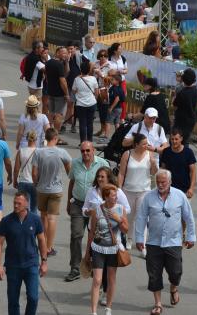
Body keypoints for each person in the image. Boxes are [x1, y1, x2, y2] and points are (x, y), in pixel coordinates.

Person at [135, 169, 197, 314]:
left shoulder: (180, 196)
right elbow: (141, 218)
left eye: (163, 182)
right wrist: (139, 238)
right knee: (154, 274)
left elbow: (189, 217)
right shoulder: (149, 197)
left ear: (169, 182)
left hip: (174, 242)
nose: (160, 185)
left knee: (176, 272)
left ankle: (173, 288)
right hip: (153, 243)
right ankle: (158, 304)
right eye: (158, 182)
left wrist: (191, 236)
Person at [0, 191, 48, 315]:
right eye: (14, 203)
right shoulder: (6, 221)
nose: (16, 205)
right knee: (13, 301)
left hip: (31, 265)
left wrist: (44, 262)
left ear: (26, 204)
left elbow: (41, 240)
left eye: (19, 203)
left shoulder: (35, 219)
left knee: (33, 297)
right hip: (13, 266)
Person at [65, 141, 107, 282]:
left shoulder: (102, 164)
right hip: (77, 203)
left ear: (93, 150)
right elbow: (72, 182)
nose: (85, 153)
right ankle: (75, 267)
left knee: (96, 237)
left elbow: (109, 184)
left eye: (88, 150)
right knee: (76, 235)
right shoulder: (75, 163)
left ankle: (95, 267)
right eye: (83, 151)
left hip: (96, 206)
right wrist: (68, 201)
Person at [86, 184, 130, 315]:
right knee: (97, 280)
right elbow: (92, 232)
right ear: (105, 197)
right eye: (113, 196)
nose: (116, 197)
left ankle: (108, 308)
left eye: (116, 195)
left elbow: (126, 230)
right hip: (98, 248)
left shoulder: (121, 209)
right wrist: (87, 252)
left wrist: (119, 219)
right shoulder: (97, 210)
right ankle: (93, 312)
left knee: (111, 279)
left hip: (113, 249)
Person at [31, 127, 72, 259]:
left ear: (46, 138)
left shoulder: (38, 152)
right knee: (52, 218)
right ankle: (49, 247)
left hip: (42, 189)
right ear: (55, 138)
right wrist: (67, 172)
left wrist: (36, 183)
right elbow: (69, 168)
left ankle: (42, 244)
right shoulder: (61, 152)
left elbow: (34, 172)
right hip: (56, 189)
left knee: (43, 216)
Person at [120, 132, 159, 247]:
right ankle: (129, 239)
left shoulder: (149, 154)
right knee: (129, 217)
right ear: (136, 144)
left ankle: (142, 243)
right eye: (143, 144)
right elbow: (121, 173)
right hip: (128, 190)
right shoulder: (127, 154)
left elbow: (153, 173)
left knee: (142, 217)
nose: (146, 146)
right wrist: (119, 189)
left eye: (147, 144)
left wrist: (153, 164)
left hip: (144, 190)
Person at [160, 128, 197, 199]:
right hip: (169, 189)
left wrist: (191, 188)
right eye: (172, 139)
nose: (174, 141)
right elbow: (163, 170)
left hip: (185, 190)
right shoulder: (166, 152)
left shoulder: (188, 152)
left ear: (181, 139)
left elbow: (193, 172)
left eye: (176, 139)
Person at [72, 59, 100, 144]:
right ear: (89, 70)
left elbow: (73, 91)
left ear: (81, 69)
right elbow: (97, 92)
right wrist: (94, 99)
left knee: (82, 124)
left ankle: (83, 142)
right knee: (90, 123)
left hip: (80, 104)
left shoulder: (77, 79)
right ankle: (90, 142)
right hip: (92, 103)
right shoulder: (93, 79)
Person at [172, 68, 197, 143]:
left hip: (181, 120)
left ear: (183, 79)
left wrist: (174, 96)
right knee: (185, 140)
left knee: (176, 140)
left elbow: (174, 105)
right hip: (191, 119)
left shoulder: (182, 93)